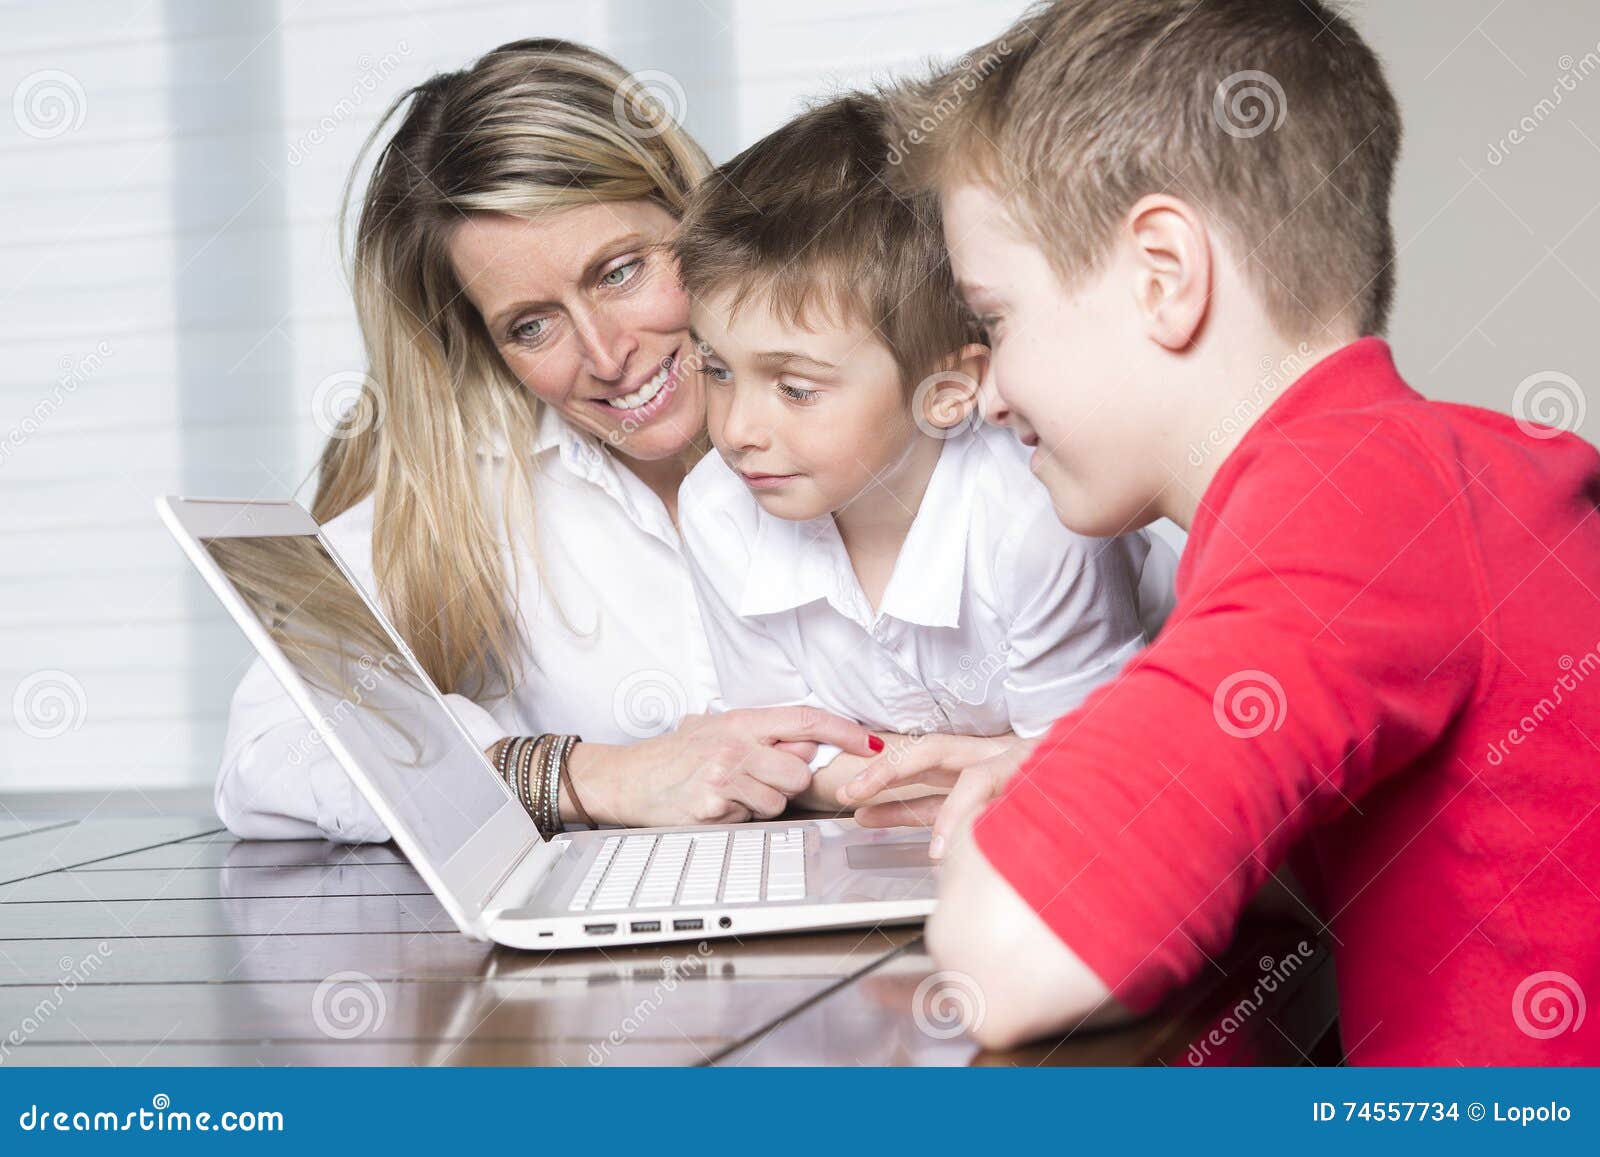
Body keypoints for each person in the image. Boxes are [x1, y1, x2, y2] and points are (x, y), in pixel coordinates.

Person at [853, 0, 1600, 1063]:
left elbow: (1017, 950)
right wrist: (1070, 760)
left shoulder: (1350, 493)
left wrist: (1015, 834)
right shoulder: (1412, 470)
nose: (987, 393)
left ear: (1164, 274)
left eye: (994, 320)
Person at [215, 39, 889, 843]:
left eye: (620, 272)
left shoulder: (878, 391)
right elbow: (263, 756)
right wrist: (584, 774)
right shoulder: (463, 494)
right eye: (532, 325)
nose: (607, 355)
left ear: (692, 210)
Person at [670, 93, 1175, 814]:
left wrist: (901, 775)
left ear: (947, 389)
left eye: (795, 387)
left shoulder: (1038, 515)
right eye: (717, 369)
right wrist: (978, 767)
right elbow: (780, 758)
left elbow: (1077, 777)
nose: (735, 430)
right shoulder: (718, 506)